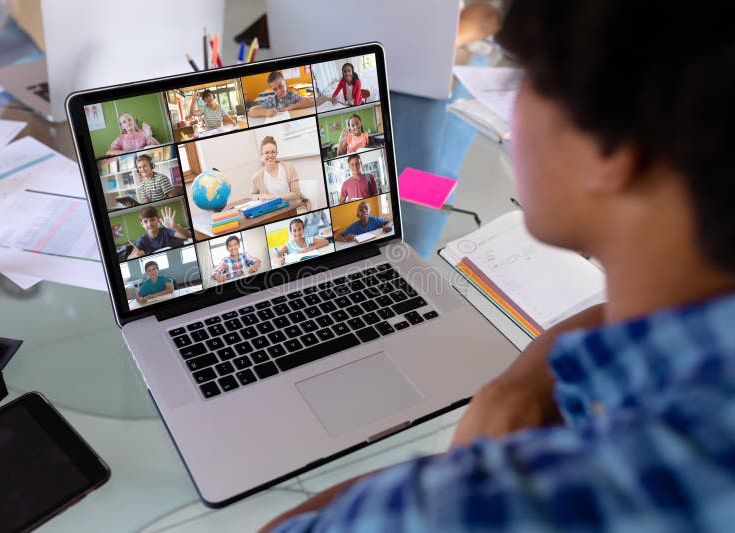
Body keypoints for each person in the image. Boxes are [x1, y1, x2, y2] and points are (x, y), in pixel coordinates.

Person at [262, 0, 735, 531]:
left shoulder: (476, 505)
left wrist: (464, 467)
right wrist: (523, 386)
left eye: (523, 80)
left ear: (612, 150)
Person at [250, 136, 309, 211]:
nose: (270, 155)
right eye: (267, 153)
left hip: (294, 207)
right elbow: (253, 195)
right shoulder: (257, 177)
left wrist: (274, 197)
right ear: (261, 155)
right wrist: (260, 197)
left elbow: (297, 194)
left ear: (277, 153)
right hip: (273, 210)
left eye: (273, 152)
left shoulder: (288, 167)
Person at [247, 71, 314, 118]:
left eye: (281, 86)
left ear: (285, 83)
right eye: (275, 89)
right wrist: (266, 112)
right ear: (272, 89)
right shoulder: (271, 101)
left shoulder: (293, 96)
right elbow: (250, 113)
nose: (279, 91)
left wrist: (290, 107)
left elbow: (311, 102)